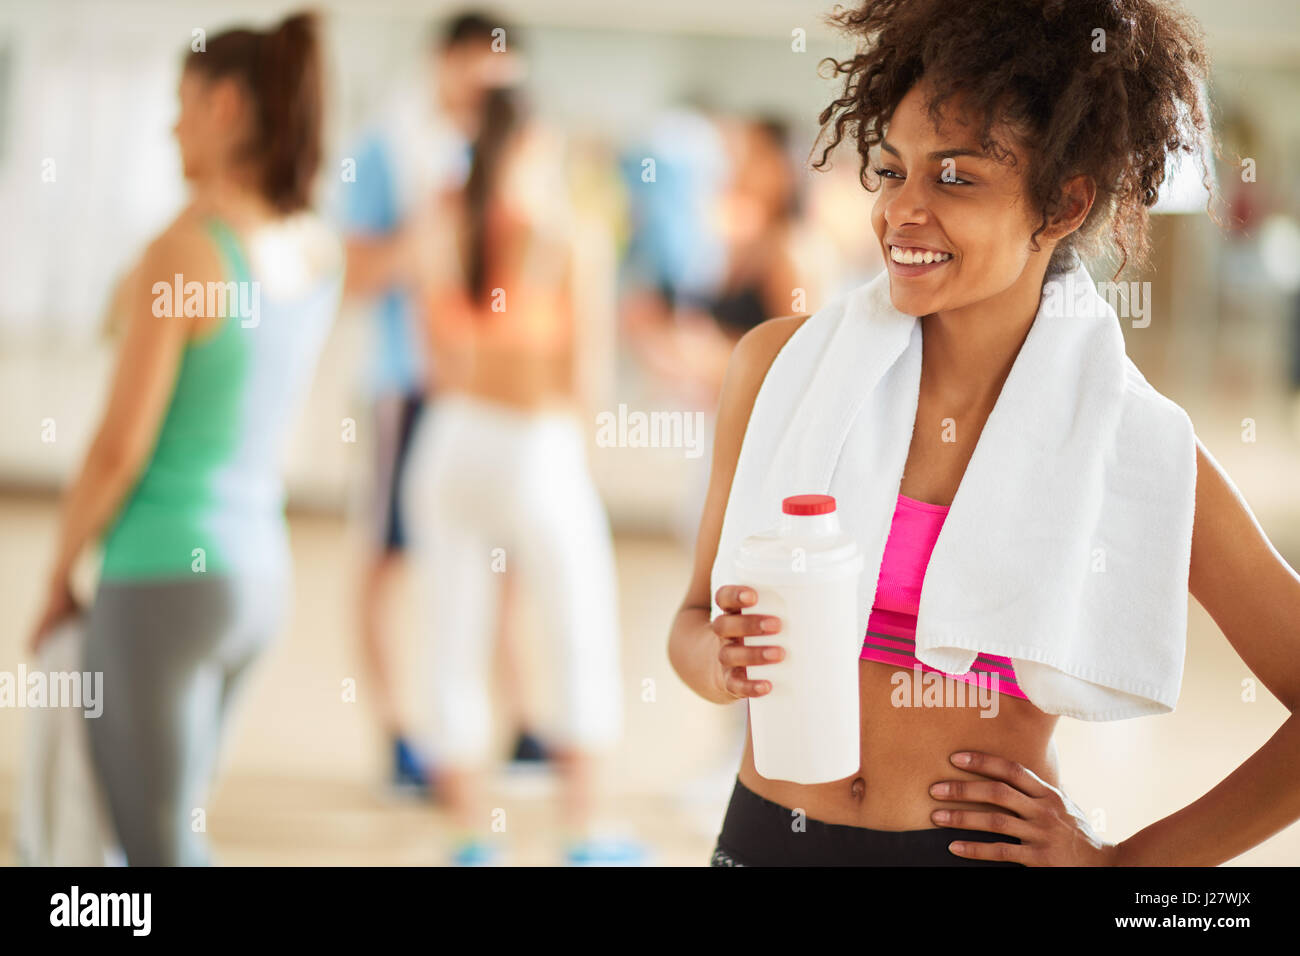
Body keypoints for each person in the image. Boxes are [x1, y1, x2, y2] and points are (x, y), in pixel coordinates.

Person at [672, 0, 1300, 867]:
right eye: (892, 171)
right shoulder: (779, 368)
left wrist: (1124, 867)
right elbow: (690, 622)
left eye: (956, 177)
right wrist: (717, 661)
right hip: (763, 841)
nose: (903, 212)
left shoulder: (1133, 444)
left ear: (1064, 203)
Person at [26, 12, 342, 866]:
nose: (170, 126)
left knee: (154, 848)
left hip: (163, 576)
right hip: (256, 576)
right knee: (173, 828)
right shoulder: (311, 247)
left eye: (182, 104)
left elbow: (116, 449)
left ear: (227, 105)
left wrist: (58, 572)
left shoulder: (185, 253)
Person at [404, 83, 641, 866]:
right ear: (537, 148)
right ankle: (582, 833)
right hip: (536, 445)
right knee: (580, 625)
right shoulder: (570, 238)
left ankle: (469, 837)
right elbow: (587, 383)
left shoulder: (443, 224)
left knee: (451, 629)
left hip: (449, 439)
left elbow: (432, 355)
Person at [338, 10, 548, 794]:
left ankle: (518, 724)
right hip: (412, 387)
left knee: (505, 556)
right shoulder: (389, 144)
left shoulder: (519, 152)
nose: (488, 91)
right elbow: (353, 271)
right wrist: (436, 232)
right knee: (390, 556)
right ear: (444, 62)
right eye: (477, 71)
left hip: (499, 393)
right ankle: (399, 737)